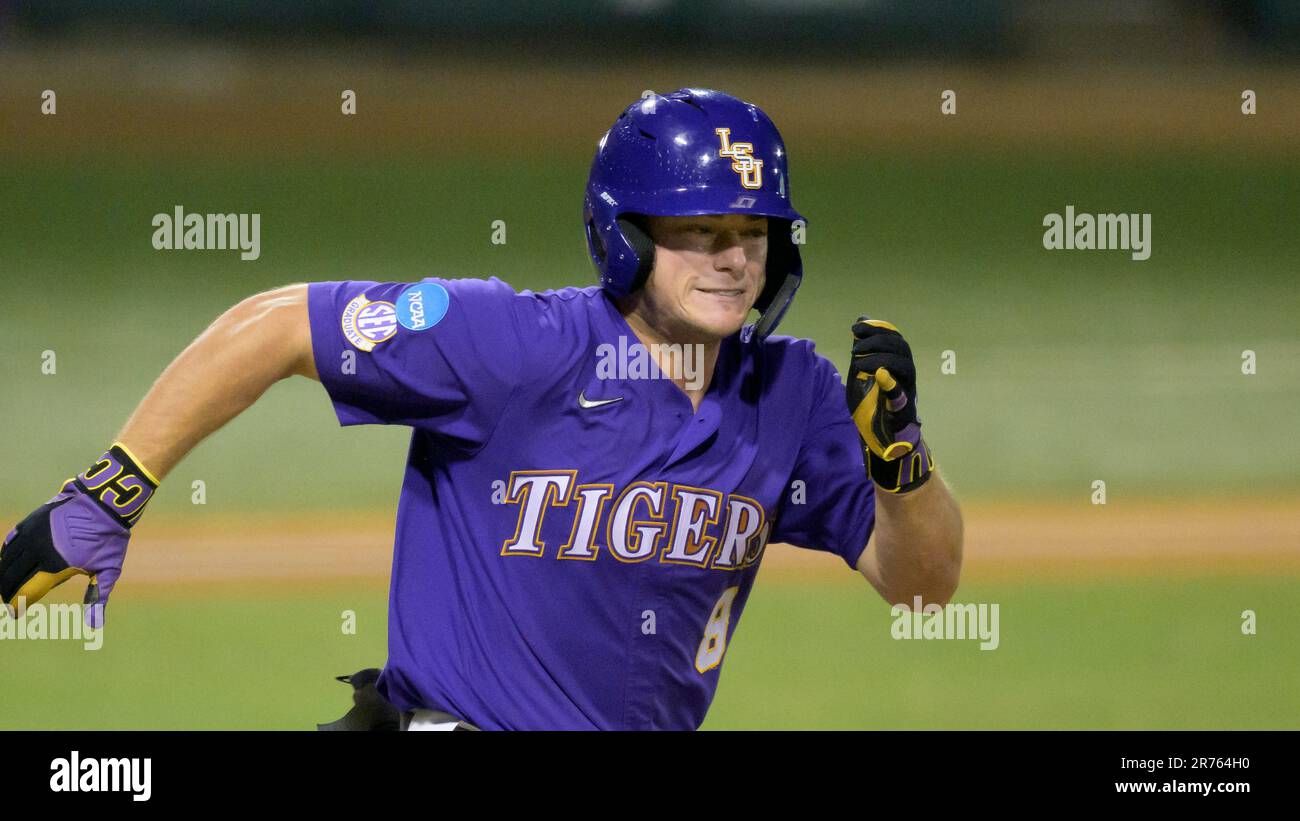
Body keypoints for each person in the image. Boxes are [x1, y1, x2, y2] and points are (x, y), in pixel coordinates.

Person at [1, 88, 962, 730]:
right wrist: (111, 492)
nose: (732, 258)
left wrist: (903, 467)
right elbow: (276, 323)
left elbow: (919, 587)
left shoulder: (787, 393)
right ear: (625, 236)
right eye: (698, 231)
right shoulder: (512, 345)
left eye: (750, 231)